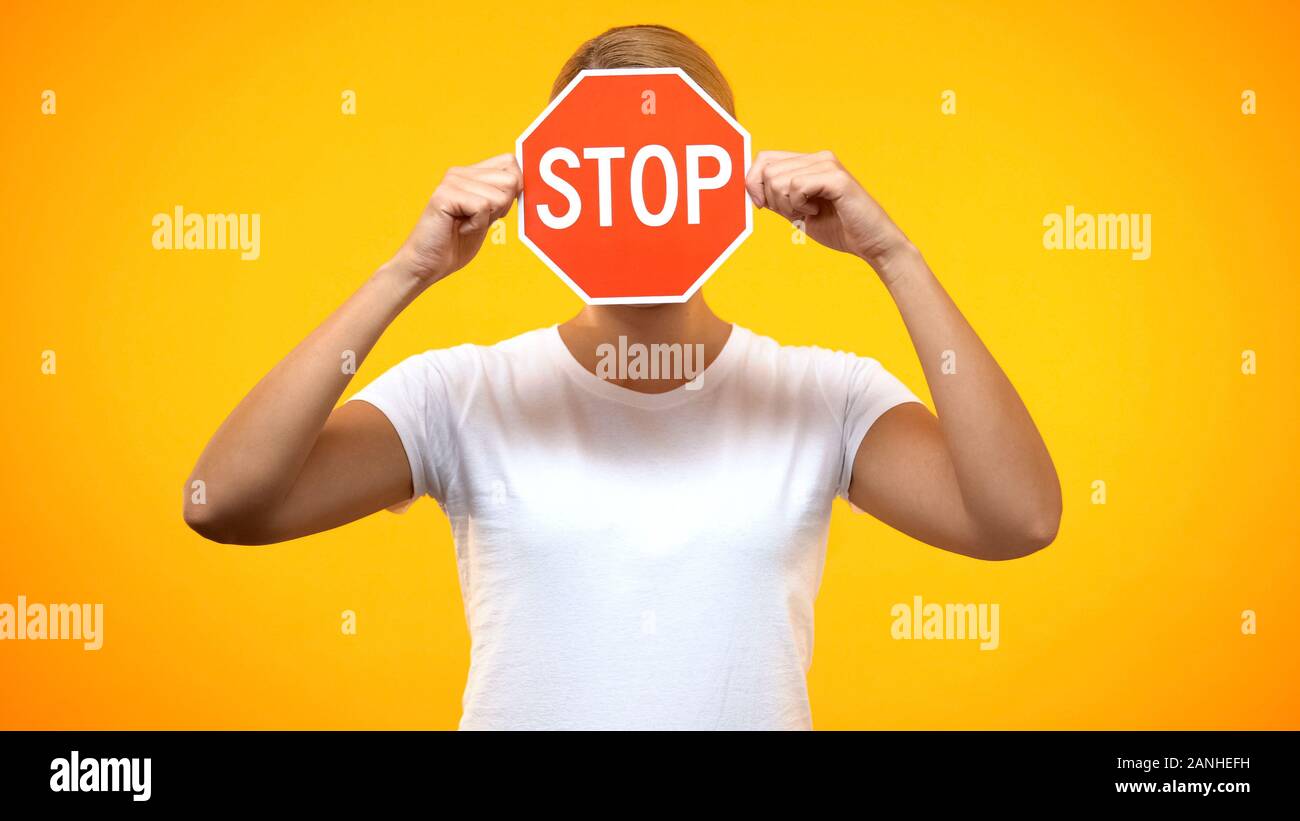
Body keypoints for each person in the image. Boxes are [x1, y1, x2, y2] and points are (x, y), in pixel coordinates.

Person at [183, 24, 1061, 730]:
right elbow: (222, 503)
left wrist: (890, 251)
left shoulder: (821, 394)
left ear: (726, 169)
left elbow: (1017, 517)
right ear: (557, 171)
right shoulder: (461, 394)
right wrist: (406, 270)